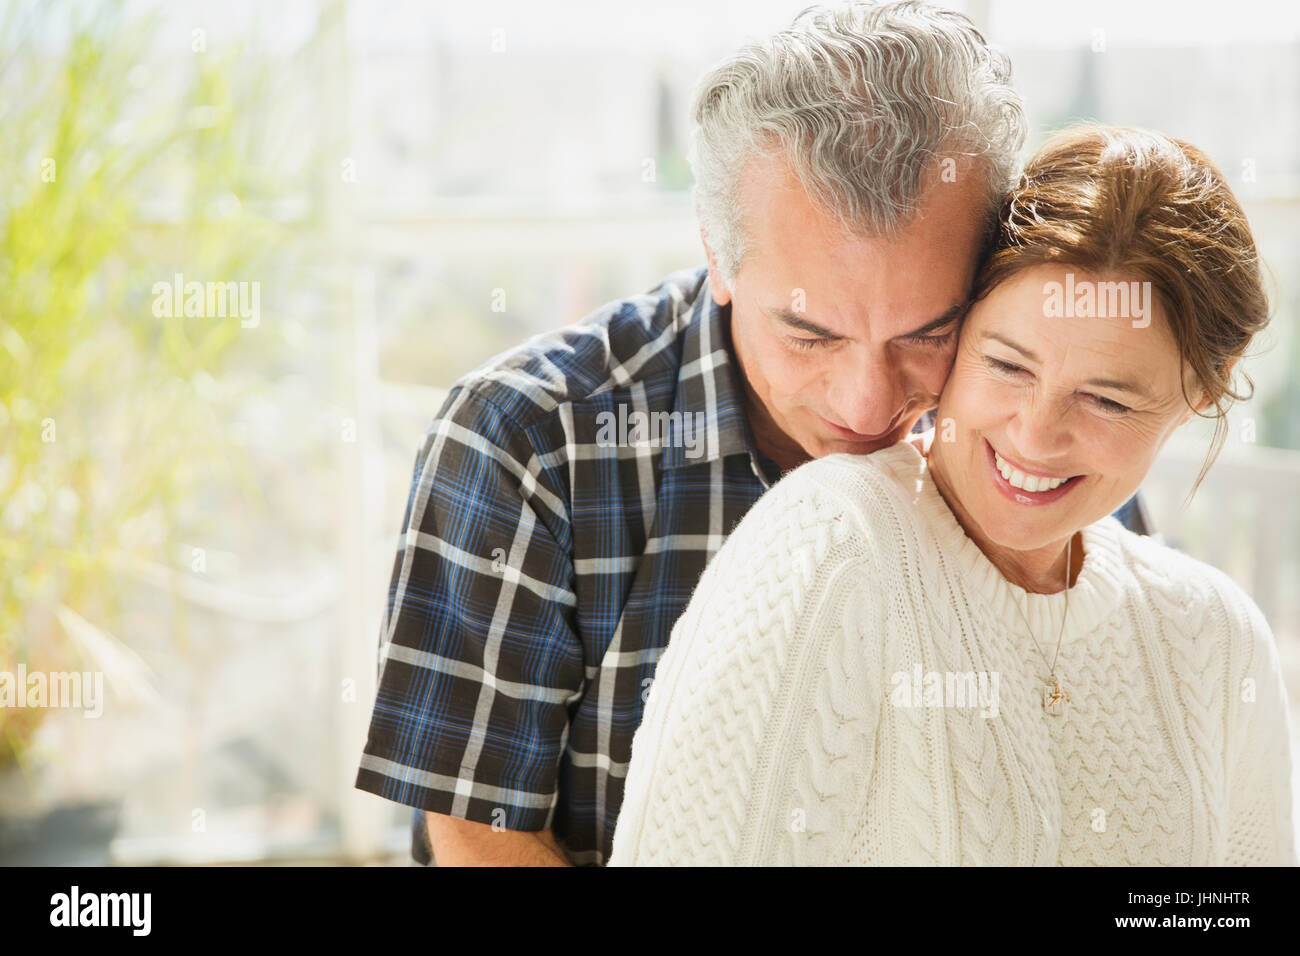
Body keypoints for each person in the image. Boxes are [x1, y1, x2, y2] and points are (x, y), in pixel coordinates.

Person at [351, 0, 1142, 866]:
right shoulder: (528, 442)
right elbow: (479, 837)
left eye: (928, 331)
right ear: (718, 257)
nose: (867, 402)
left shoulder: (1037, 449)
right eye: (809, 335)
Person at [608, 123, 1298, 866]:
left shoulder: (1216, 636)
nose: (1035, 436)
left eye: (1105, 400)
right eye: (1007, 365)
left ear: (1201, 393)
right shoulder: (828, 546)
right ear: (958, 333)